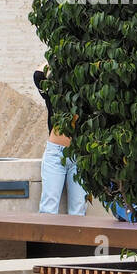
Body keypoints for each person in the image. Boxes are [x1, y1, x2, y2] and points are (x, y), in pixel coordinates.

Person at [33, 64, 86, 216]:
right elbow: (38, 75)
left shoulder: (84, 96)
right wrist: (55, 60)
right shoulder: (53, 94)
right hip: (55, 153)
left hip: (79, 156)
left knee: (79, 210)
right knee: (48, 208)